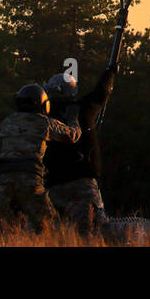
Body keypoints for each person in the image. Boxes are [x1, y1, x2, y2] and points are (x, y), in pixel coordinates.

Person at [0, 83, 81, 231]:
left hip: (2, 179)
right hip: (29, 178)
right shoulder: (44, 123)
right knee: (48, 224)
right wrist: (74, 118)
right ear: (43, 104)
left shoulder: (7, 121)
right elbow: (72, 136)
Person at [44, 66, 117, 230]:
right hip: (82, 182)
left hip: (52, 183)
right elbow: (102, 92)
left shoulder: (43, 116)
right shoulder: (83, 109)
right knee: (94, 228)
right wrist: (109, 74)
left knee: (56, 230)